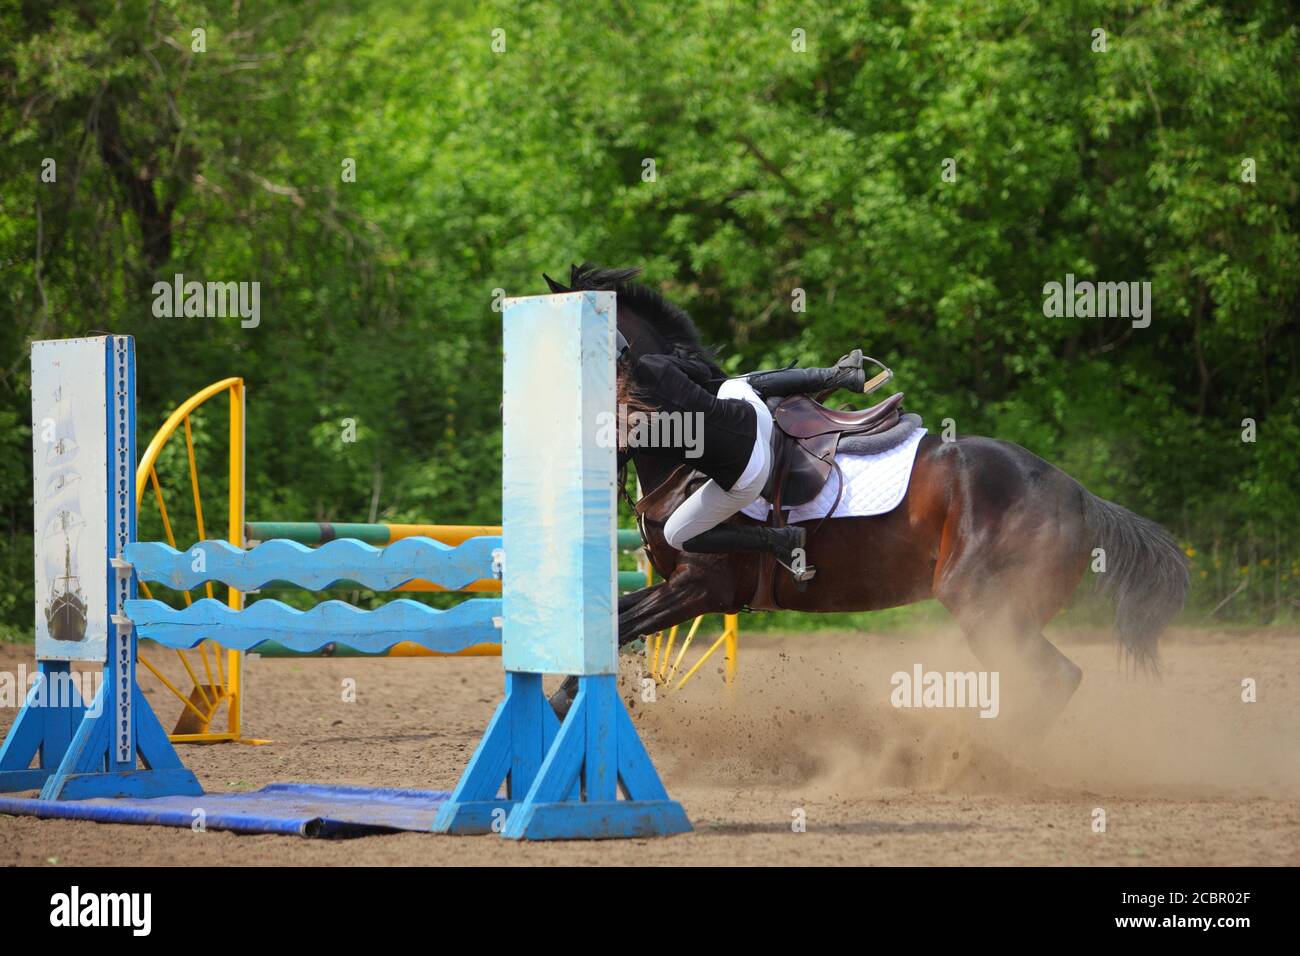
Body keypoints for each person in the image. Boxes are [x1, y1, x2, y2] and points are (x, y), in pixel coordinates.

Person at [623, 335, 869, 583]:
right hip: (754, 417)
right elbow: (701, 371)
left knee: (675, 534)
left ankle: (779, 540)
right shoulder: (653, 363)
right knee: (739, 383)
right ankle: (839, 374)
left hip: (749, 470)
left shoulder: (627, 422)